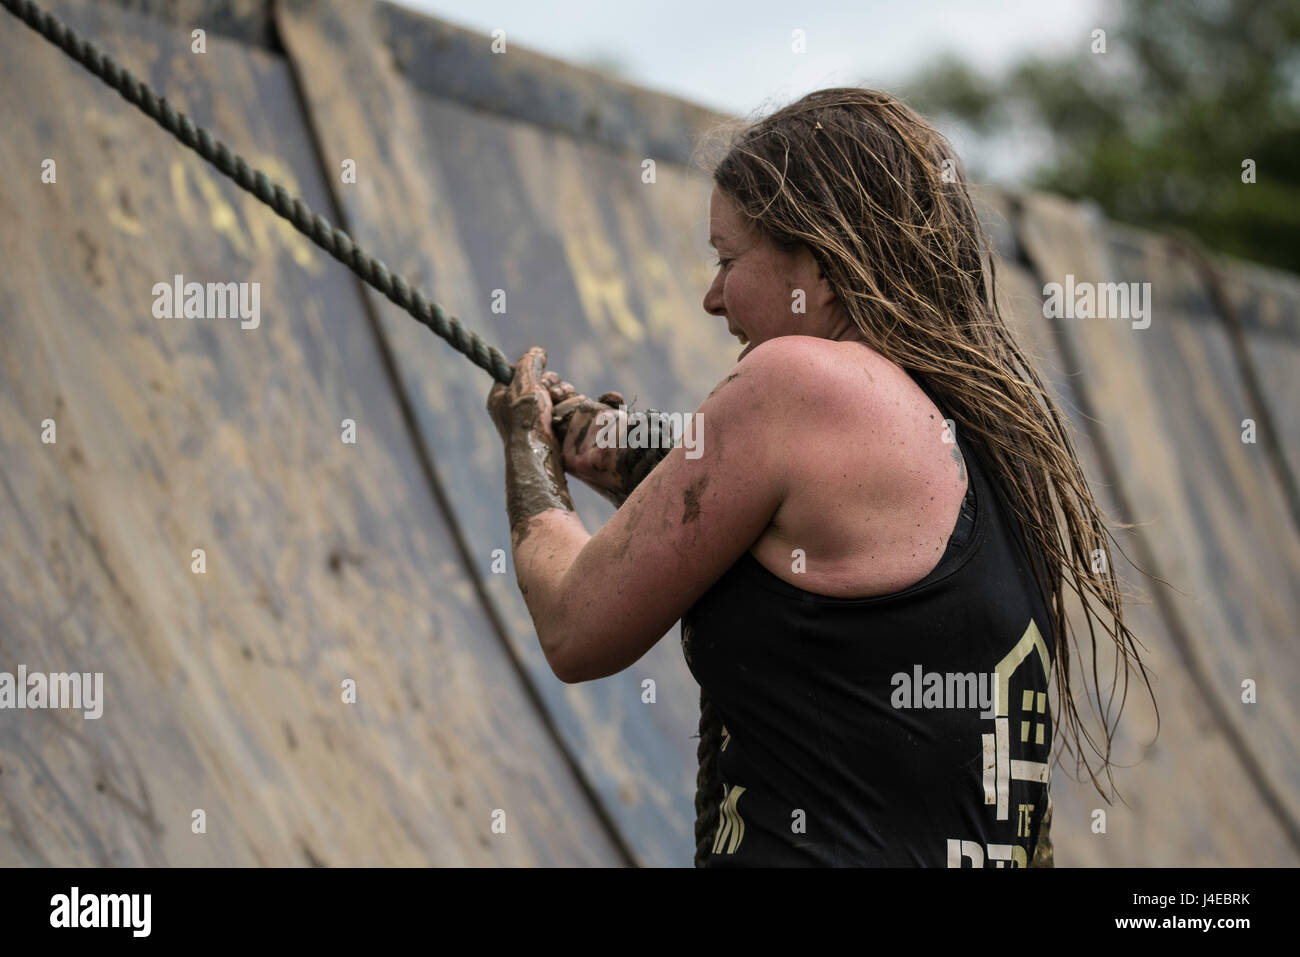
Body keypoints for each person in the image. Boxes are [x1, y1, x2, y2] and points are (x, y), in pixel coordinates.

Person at [487, 87, 1152, 867]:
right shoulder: (990, 441)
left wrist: (525, 447)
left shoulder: (797, 383)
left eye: (728, 260)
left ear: (822, 266)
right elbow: (784, 513)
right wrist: (634, 453)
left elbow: (576, 623)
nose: (711, 297)